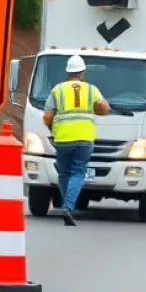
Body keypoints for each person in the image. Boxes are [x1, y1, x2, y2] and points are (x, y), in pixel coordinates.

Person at [43, 54, 110, 226]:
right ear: (83, 72)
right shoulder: (91, 89)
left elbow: (47, 116)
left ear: (67, 72)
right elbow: (104, 109)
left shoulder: (57, 90)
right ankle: (68, 207)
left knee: (64, 173)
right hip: (84, 138)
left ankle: (67, 205)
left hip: (63, 139)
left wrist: (52, 128)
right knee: (78, 172)